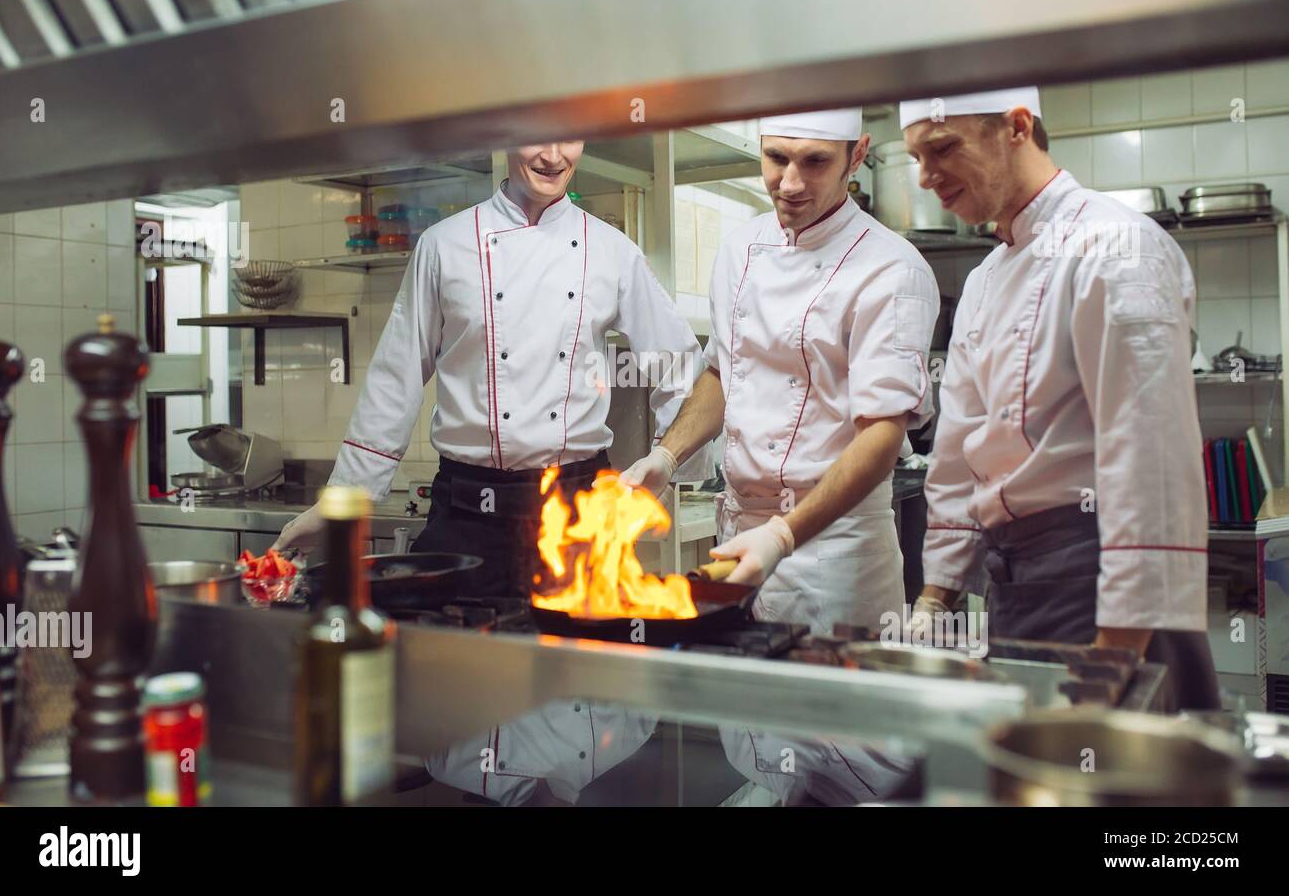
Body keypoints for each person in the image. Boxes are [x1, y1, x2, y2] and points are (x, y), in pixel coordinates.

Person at [901, 87, 1219, 709]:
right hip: (1016, 586)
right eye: (915, 157)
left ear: (1017, 126)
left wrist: (1116, 652)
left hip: (1102, 584)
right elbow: (961, 448)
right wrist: (936, 594)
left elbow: (1147, 461)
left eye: (941, 148)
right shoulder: (985, 279)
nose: (925, 177)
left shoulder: (1114, 247)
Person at [275, 141, 708, 598]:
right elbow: (395, 378)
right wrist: (343, 500)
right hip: (466, 513)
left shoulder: (612, 251)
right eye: (538, 137)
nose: (554, 157)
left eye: (569, 138)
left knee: (575, 661)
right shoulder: (444, 245)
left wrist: (665, 463)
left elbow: (680, 368)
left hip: (577, 518)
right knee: (452, 658)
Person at [625, 109, 938, 634]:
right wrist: (666, 454)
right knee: (740, 710)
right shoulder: (739, 249)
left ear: (856, 155)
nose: (790, 184)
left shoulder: (892, 269)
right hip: (736, 539)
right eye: (776, 158)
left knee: (822, 711)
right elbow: (723, 373)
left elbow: (883, 433)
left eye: (815, 162)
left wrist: (784, 535)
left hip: (835, 552)